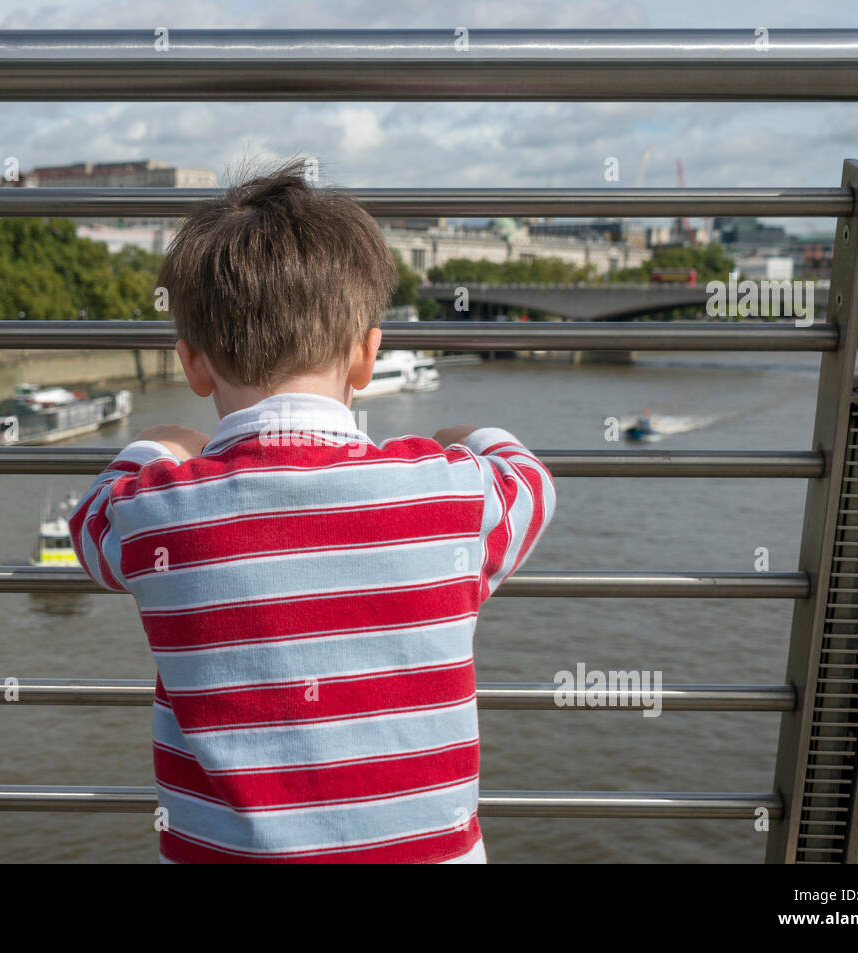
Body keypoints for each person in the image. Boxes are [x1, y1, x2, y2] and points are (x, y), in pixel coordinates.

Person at [69, 159, 556, 864]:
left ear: (193, 364)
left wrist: (163, 443)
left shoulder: (158, 511)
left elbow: (91, 524)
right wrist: (466, 436)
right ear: (367, 356)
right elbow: (532, 483)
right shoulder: (450, 495)